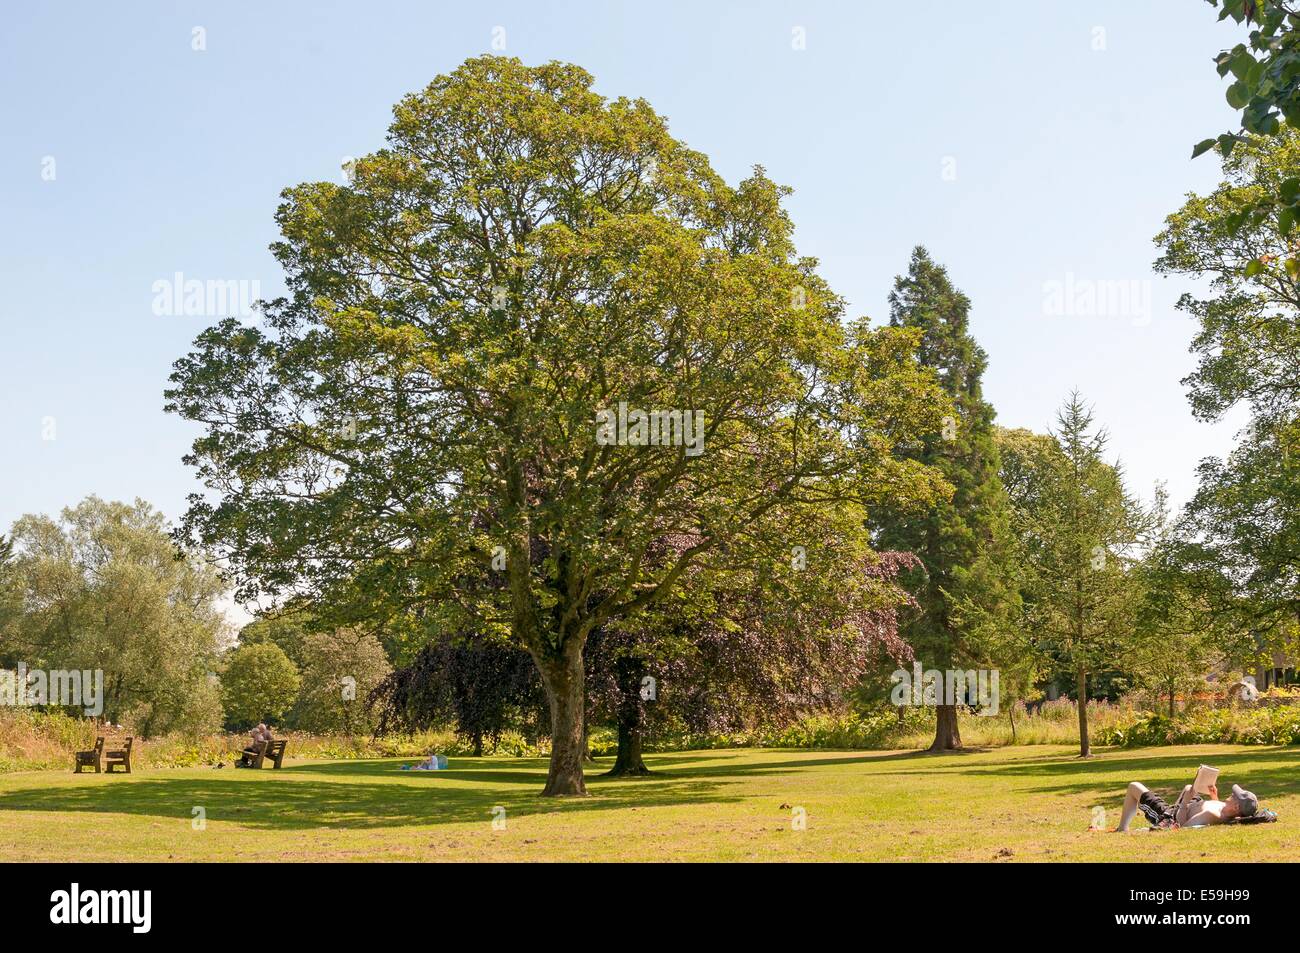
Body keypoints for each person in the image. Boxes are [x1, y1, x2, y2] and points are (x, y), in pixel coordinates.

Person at [1116, 779, 1261, 831]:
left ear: (1236, 808)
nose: (1230, 795)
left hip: (1170, 815)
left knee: (1134, 786)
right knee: (1189, 786)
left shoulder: (1211, 815)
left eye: (1233, 796)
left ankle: (1122, 828)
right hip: (1191, 805)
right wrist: (1213, 796)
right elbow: (1220, 807)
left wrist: (1185, 801)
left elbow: (1181, 826)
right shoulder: (1228, 810)